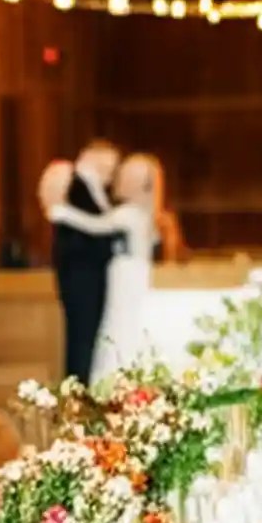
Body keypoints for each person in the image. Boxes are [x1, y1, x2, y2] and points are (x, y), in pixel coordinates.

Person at [49, 153, 162, 382]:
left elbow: (97, 225)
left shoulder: (130, 214)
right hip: (124, 279)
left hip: (128, 280)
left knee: (119, 329)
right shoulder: (140, 213)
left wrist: (61, 212)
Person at [46, 142, 120, 384]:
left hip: (90, 274)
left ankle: (81, 387)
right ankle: (77, 390)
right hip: (81, 275)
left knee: (88, 337)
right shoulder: (74, 184)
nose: (112, 171)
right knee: (82, 336)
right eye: (108, 163)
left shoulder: (94, 188)